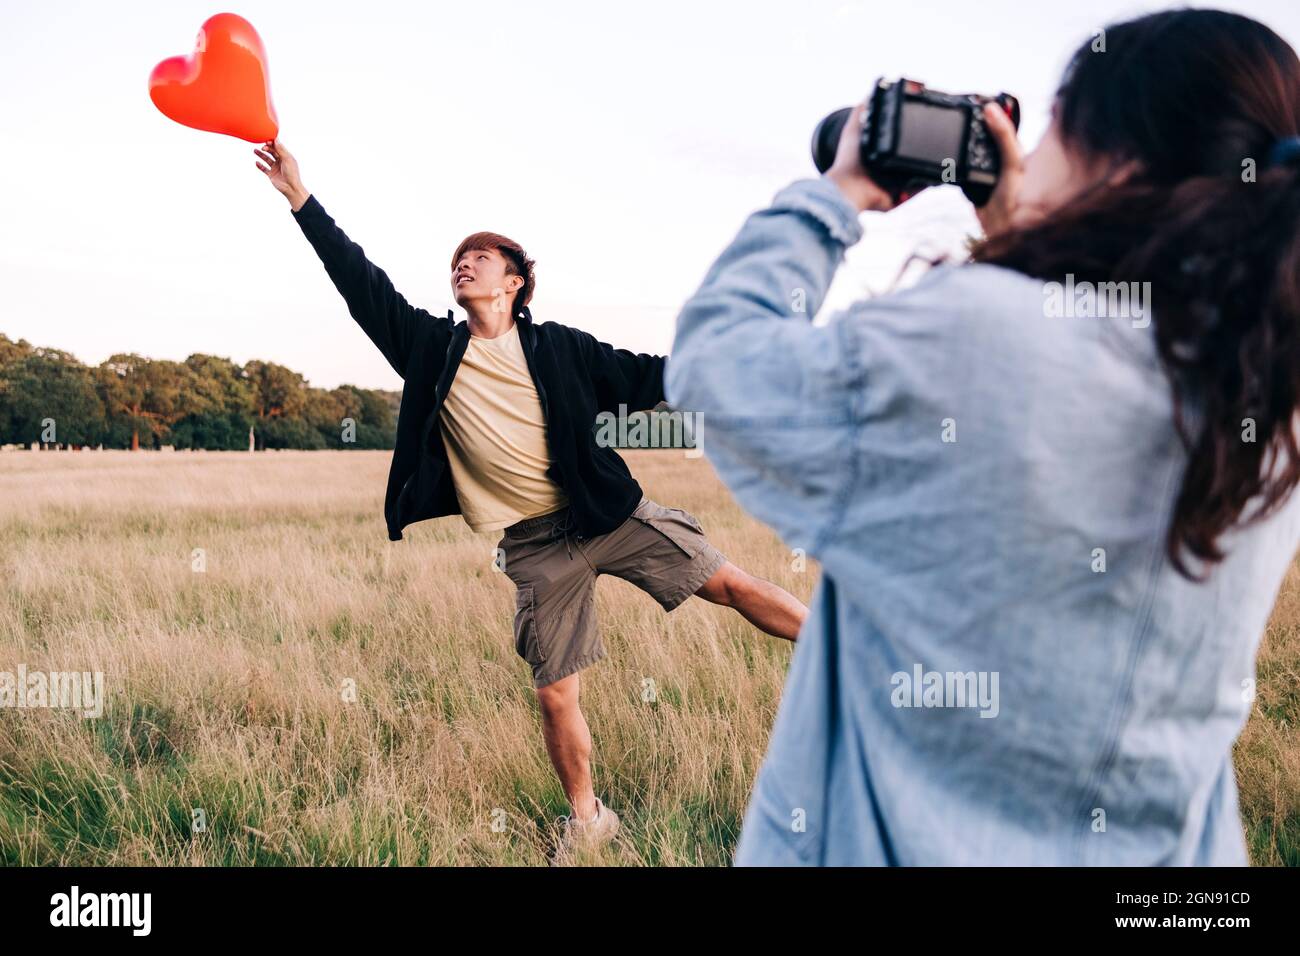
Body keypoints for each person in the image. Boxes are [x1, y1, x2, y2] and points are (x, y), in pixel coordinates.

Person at [667, 8, 1300, 865]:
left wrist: (839, 191)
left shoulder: (967, 335)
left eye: (1052, 129)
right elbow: (1081, 354)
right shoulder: (1264, 382)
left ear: (1108, 158)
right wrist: (1016, 224)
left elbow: (720, 367)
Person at [255, 141, 808, 858]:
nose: (463, 264)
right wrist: (302, 199)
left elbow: (647, 376)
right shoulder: (431, 348)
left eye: (480, 257)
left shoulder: (560, 348)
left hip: (611, 517)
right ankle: (588, 820)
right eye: (458, 259)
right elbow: (360, 282)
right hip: (536, 547)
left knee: (728, 583)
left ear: (514, 283)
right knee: (555, 692)